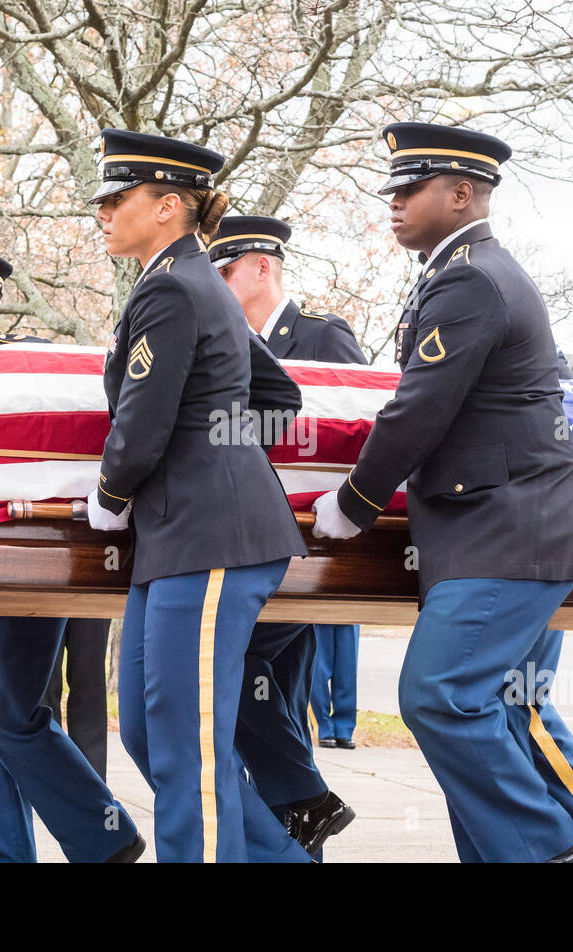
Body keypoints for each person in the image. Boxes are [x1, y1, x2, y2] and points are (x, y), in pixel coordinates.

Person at [309, 121, 573, 862]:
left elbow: (419, 407)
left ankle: (554, 847)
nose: (393, 203)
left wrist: (354, 501)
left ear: (461, 195)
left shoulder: (472, 278)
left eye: (409, 189)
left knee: (438, 696)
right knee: (482, 708)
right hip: (495, 526)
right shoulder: (460, 274)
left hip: (508, 529)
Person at [87, 128, 312, 863]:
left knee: (188, 740)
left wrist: (118, 487)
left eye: (120, 198)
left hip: (212, 535)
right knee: (154, 733)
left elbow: (145, 419)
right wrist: (214, 445)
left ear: (168, 206)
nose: (104, 210)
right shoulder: (189, 284)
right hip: (180, 536)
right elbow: (276, 396)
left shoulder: (178, 287)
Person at [0, 239, 143, 863]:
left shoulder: (25, 371)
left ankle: (104, 833)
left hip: (24, 563)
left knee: (6, 712)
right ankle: (6, 855)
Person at [210, 213, 360, 853]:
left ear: (261, 267)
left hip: (312, 545)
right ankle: (305, 815)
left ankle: (305, 805)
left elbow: (355, 420)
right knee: (267, 694)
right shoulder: (220, 340)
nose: (215, 283)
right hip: (251, 539)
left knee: (244, 674)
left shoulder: (322, 337)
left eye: (225, 271)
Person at [43, 618, 110, 779]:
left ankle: (93, 794)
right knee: (42, 695)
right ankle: (49, 785)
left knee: (90, 689)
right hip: (42, 598)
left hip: (94, 597)